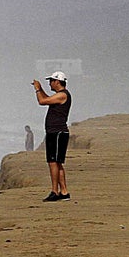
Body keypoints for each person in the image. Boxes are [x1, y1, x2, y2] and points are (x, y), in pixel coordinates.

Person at [32, 71, 72, 201]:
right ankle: (64, 192)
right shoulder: (59, 95)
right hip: (55, 132)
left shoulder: (62, 95)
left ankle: (55, 191)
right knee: (56, 163)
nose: (49, 84)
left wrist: (38, 89)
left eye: (51, 81)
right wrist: (41, 89)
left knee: (53, 162)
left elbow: (42, 101)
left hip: (57, 132)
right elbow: (47, 99)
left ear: (57, 82)